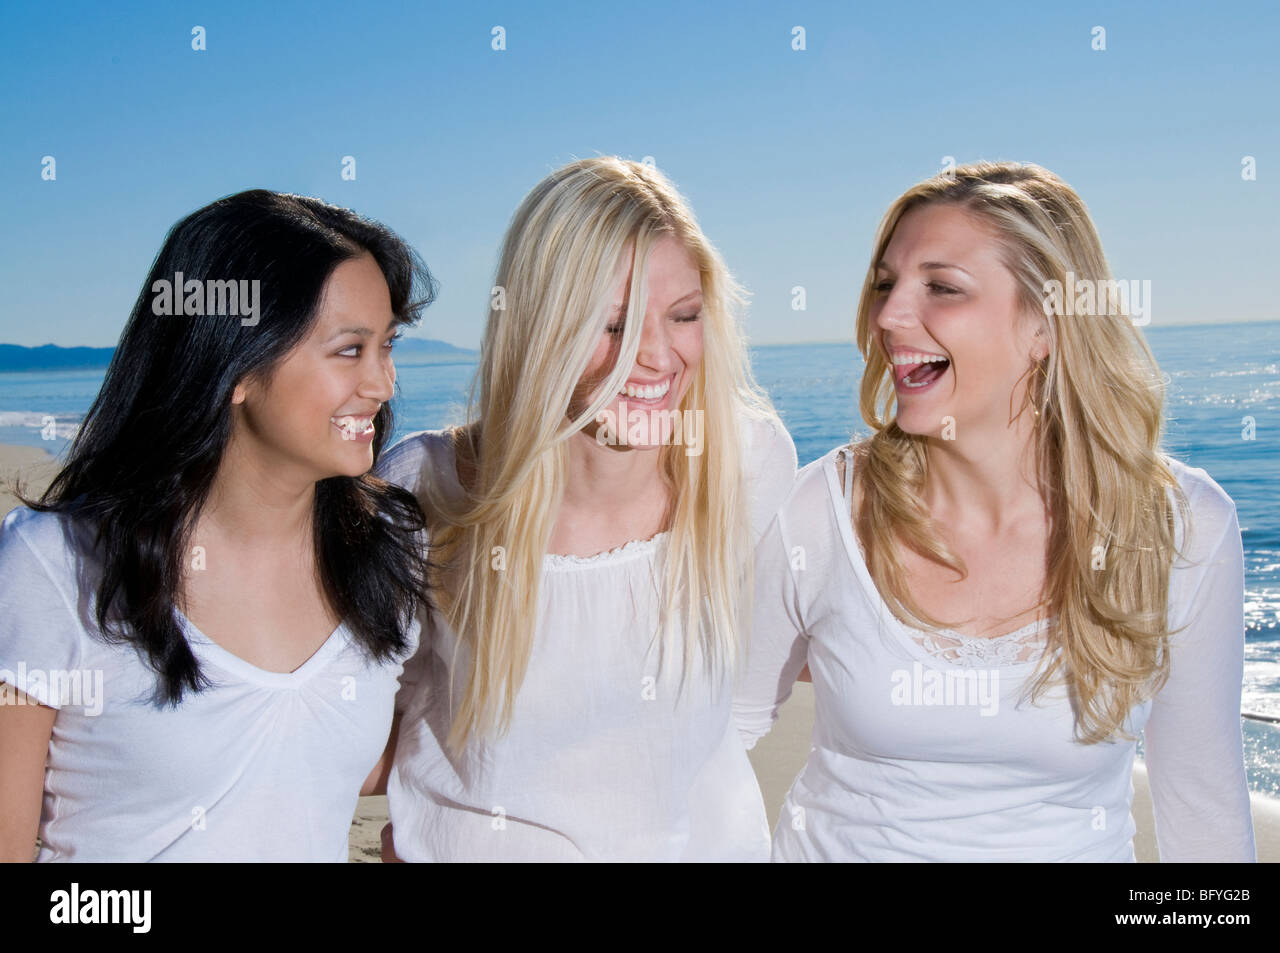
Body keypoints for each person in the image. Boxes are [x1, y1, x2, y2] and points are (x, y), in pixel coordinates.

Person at [733, 161, 1256, 862]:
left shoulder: (1185, 530)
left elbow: (1205, 814)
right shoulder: (819, 512)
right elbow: (713, 740)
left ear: (1046, 324)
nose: (888, 316)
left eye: (942, 287)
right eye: (886, 284)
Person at [376, 157, 797, 861]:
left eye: (685, 315)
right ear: (538, 329)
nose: (657, 356)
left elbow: (749, 698)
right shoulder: (424, 489)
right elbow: (355, 723)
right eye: (613, 326)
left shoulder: (749, 462)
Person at [0, 190, 436, 861]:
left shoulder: (384, 549)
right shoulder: (54, 565)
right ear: (237, 365)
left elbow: (312, 752)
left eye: (387, 346)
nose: (383, 383)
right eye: (350, 350)